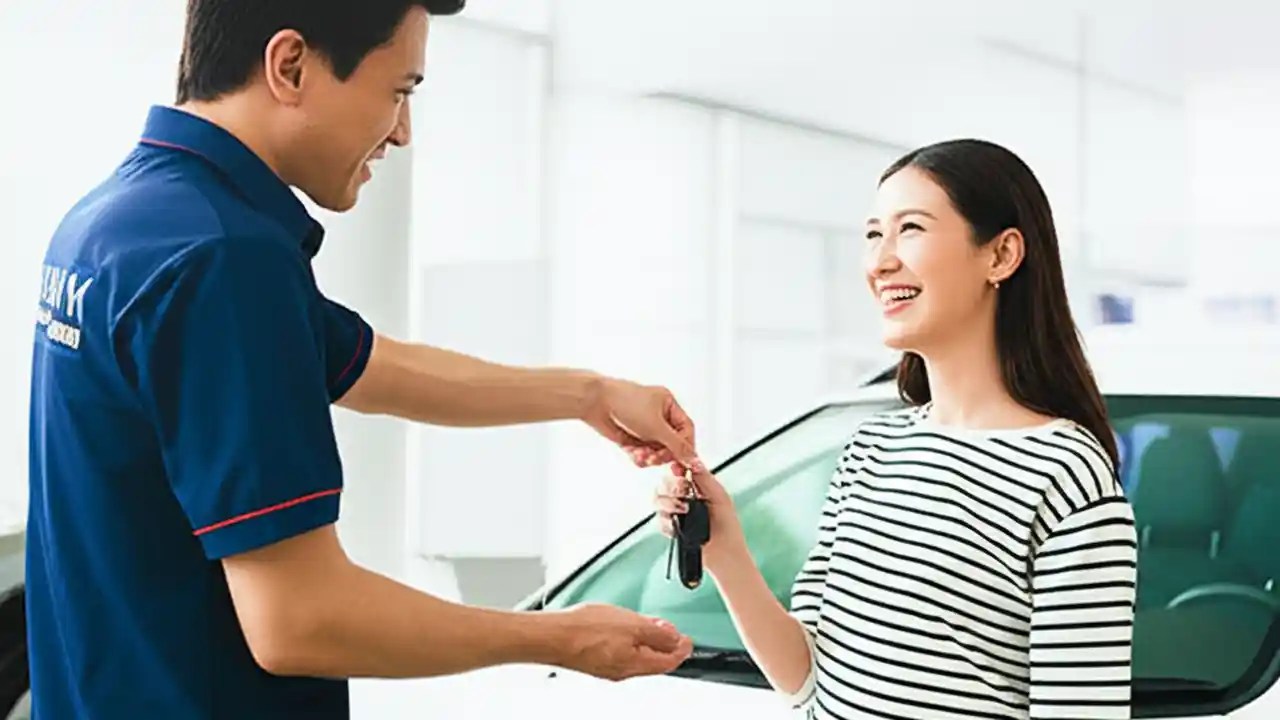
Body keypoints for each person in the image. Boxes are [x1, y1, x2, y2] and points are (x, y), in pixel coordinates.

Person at [26, 1, 701, 717]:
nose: (403, 133)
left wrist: (589, 395)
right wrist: (557, 638)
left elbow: (368, 366)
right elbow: (300, 620)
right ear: (290, 66)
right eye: (400, 91)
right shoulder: (226, 260)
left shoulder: (122, 219)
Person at [655, 139, 1138, 719]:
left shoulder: (1065, 475)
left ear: (1002, 255)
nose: (879, 261)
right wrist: (724, 549)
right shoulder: (871, 450)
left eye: (910, 228)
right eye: (872, 234)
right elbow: (808, 681)